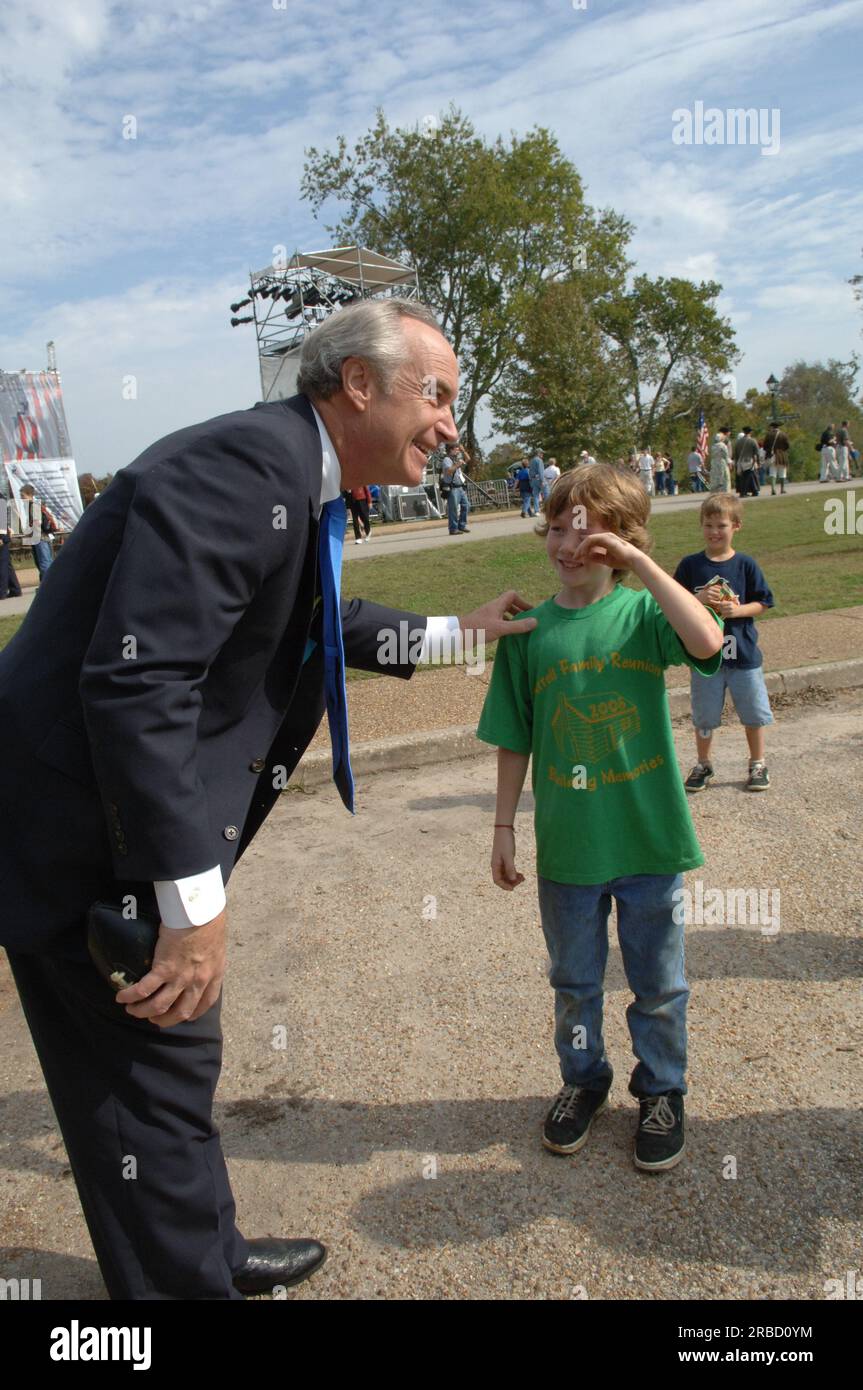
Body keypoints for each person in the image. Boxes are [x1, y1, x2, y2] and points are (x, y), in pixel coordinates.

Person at [0, 299, 538, 1301]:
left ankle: (203, 1248)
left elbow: (308, 616)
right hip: (78, 835)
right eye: (439, 394)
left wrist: (453, 632)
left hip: (94, 814)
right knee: (148, 1075)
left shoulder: (292, 471)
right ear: (359, 385)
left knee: (164, 1071)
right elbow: (136, 678)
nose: (452, 422)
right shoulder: (248, 468)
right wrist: (192, 909)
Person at [477, 462, 723, 1172]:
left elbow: (707, 642)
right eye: (556, 527)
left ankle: (661, 1090)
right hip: (569, 849)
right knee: (575, 982)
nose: (567, 544)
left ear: (621, 542)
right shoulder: (528, 631)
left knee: (657, 982)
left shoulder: (643, 614)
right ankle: (583, 1082)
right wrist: (501, 826)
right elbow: (513, 735)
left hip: (648, 841)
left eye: (587, 532)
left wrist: (642, 566)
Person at [674, 494, 774, 794]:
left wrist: (738, 610)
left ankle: (757, 762)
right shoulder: (691, 565)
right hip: (706, 657)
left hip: (743, 655)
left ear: (736, 527)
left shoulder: (745, 564)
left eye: (722, 525)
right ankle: (704, 763)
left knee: (753, 713)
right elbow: (672, 602)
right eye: (708, 525)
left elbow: (764, 602)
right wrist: (698, 599)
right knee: (704, 715)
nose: (714, 531)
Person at [19, 483, 59, 581]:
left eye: (23, 496)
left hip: (40, 538)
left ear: (29, 495)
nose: (21, 498)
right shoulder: (35, 505)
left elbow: (37, 523)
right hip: (44, 537)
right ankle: (48, 584)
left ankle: (48, 586)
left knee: (44, 563)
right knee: (46, 561)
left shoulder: (33, 506)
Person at [443, 446, 470, 535]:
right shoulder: (447, 460)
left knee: (466, 505)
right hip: (453, 488)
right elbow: (449, 471)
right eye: (457, 449)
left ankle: (461, 525)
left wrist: (463, 450)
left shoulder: (456, 458)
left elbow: (468, 459)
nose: (458, 451)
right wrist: (458, 464)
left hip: (460, 487)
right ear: (451, 450)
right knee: (453, 509)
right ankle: (453, 529)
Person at [762, 423, 790, 496]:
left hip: (771, 456)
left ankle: (773, 489)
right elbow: (787, 445)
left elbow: (764, 446)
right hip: (782, 455)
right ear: (778, 427)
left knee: (772, 473)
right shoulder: (783, 434)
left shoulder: (768, 435)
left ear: (772, 427)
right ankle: (782, 489)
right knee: (782, 473)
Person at [733, 427, 760, 497]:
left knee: (744, 477)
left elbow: (735, 453)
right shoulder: (753, 441)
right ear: (750, 432)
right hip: (749, 461)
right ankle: (745, 492)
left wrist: (736, 463)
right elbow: (757, 453)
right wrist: (758, 462)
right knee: (748, 477)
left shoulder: (738, 442)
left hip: (740, 462)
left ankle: (753, 491)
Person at [528, 449, 546, 514]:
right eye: (541, 453)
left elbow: (529, 471)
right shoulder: (539, 460)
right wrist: (542, 481)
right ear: (538, 453)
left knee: (535, 496)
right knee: (547, 493)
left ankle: (536, 511)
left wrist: (531, 480)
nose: (542, 454)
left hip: (533, 479)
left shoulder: (531, 461)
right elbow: (541, 471)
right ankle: (549, 509)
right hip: (539, 479)